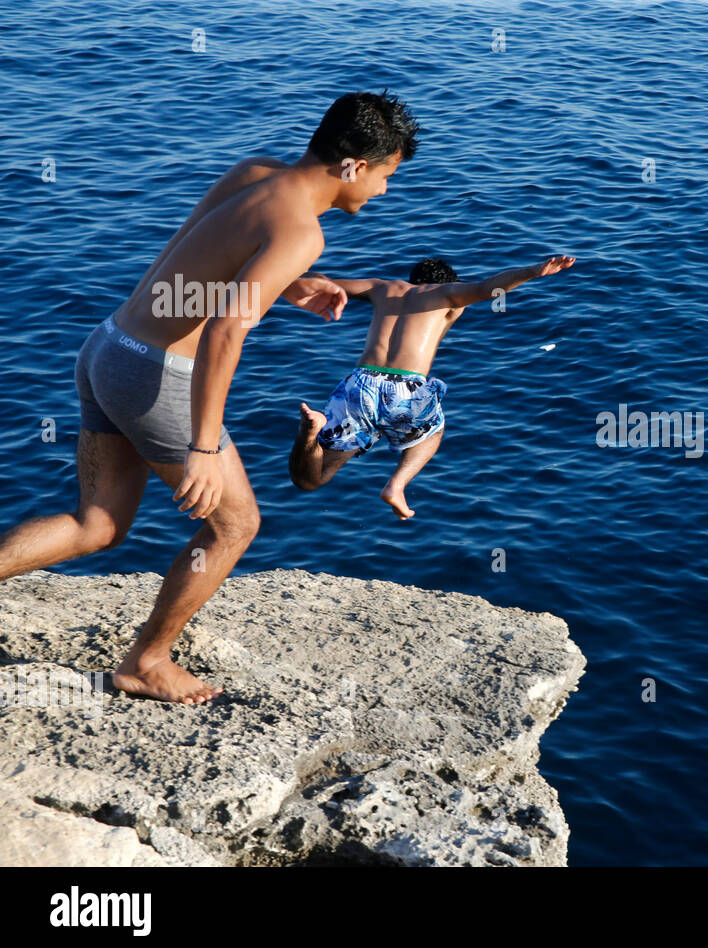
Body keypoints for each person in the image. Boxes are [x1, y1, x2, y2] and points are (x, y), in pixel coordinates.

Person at [0, 91, 419, 703]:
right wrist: (202, 444)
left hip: (109, 346)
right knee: (236, 523)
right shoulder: (302, 232)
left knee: (98, 523)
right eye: (386, 176)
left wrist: (287, 285)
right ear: (355, 166)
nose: (383, 192)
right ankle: (146, 661)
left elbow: (190, 259)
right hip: (155, 376)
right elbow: (225, 329)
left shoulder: (256, 173)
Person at [289, 253, 576, 518]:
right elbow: (489, 286)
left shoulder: (382, 288)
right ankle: (396, 486)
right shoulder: (449, 293)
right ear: (449, 282)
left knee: (310, 479)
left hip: (359, 384)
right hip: (405, 388)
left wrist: (300, 273)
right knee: (433, 432)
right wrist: (533, 271)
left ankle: (309, 431)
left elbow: (322, 283)